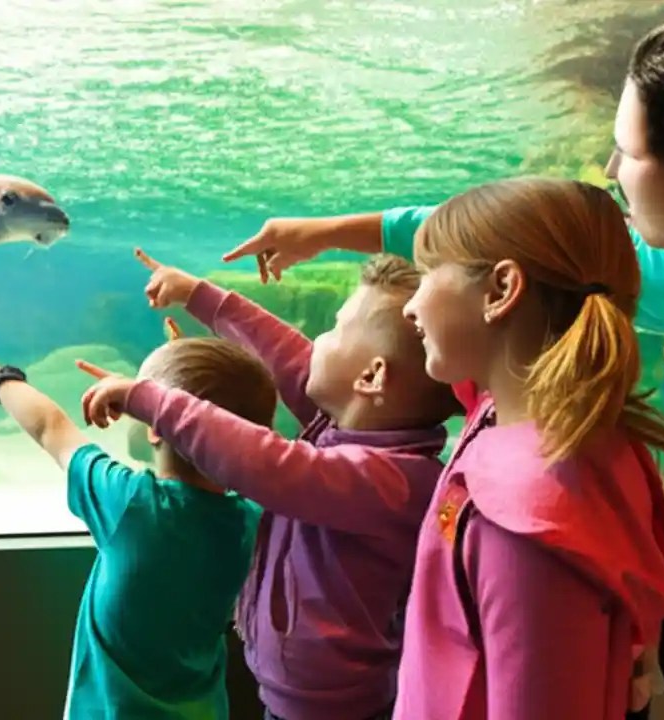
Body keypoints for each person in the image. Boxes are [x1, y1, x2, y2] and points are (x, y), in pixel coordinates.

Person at [220, 11, 664, 717]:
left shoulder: (528, 522)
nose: (610, 170)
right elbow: (505, 242)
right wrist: (325, 235)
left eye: (628, 151)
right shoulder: (547, 412)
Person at [77, 249, 459, 719]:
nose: (316, 341)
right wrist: (201, 297)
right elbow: (289, 357)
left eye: (335, 330)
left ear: (371, 376)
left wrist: (154, 401)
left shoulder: (390, 481)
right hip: (294, 699)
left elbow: (267, 463)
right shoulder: (353, 432)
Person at [0, 336, 274, 720]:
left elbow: (49, 426)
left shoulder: (133, 505)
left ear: (155, 428)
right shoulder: (253, 522)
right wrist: (167, 402)